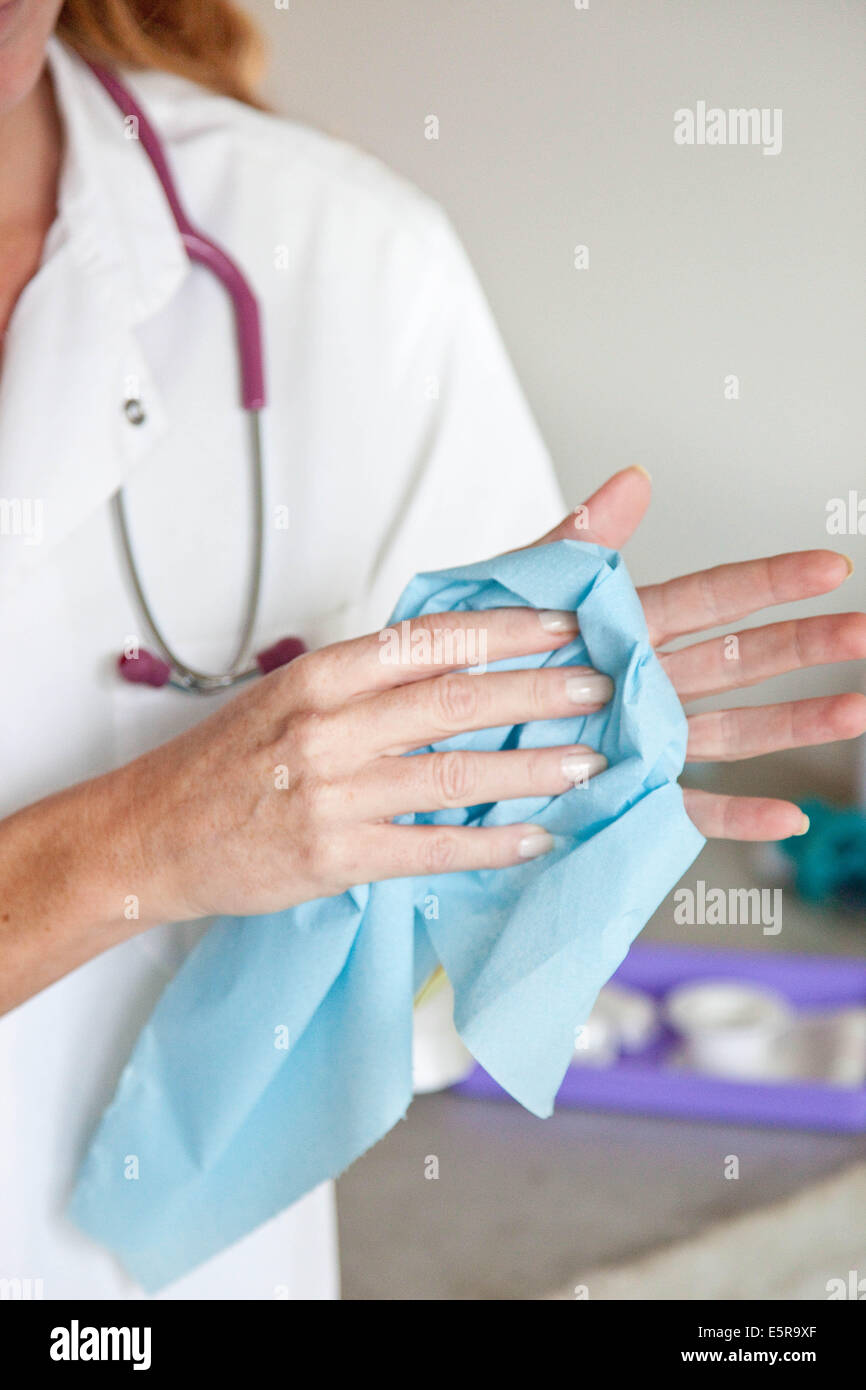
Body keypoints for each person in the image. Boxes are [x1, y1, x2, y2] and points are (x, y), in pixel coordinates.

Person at [1, 0, 864, 1300]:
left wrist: (518, 807)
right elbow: (174, 841)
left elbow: (437, 946)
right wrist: (139, 843)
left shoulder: (342, 259)